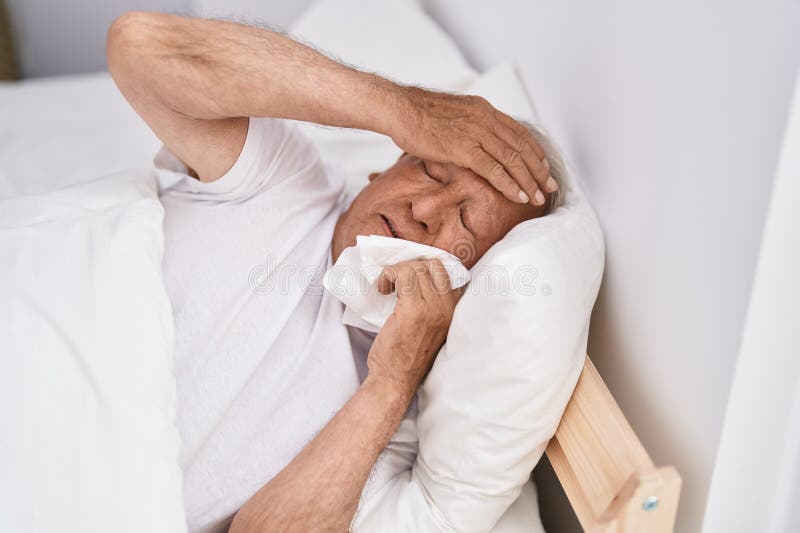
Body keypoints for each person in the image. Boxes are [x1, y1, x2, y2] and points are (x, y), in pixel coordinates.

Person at [106, 11, 564, 533]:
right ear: (381, 170)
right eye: (429, 171)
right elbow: (139, 45)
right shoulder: (280, 181)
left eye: (466, 223)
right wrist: (401, 109)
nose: (424, 211)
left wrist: (391, 382)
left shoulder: (389, 421)